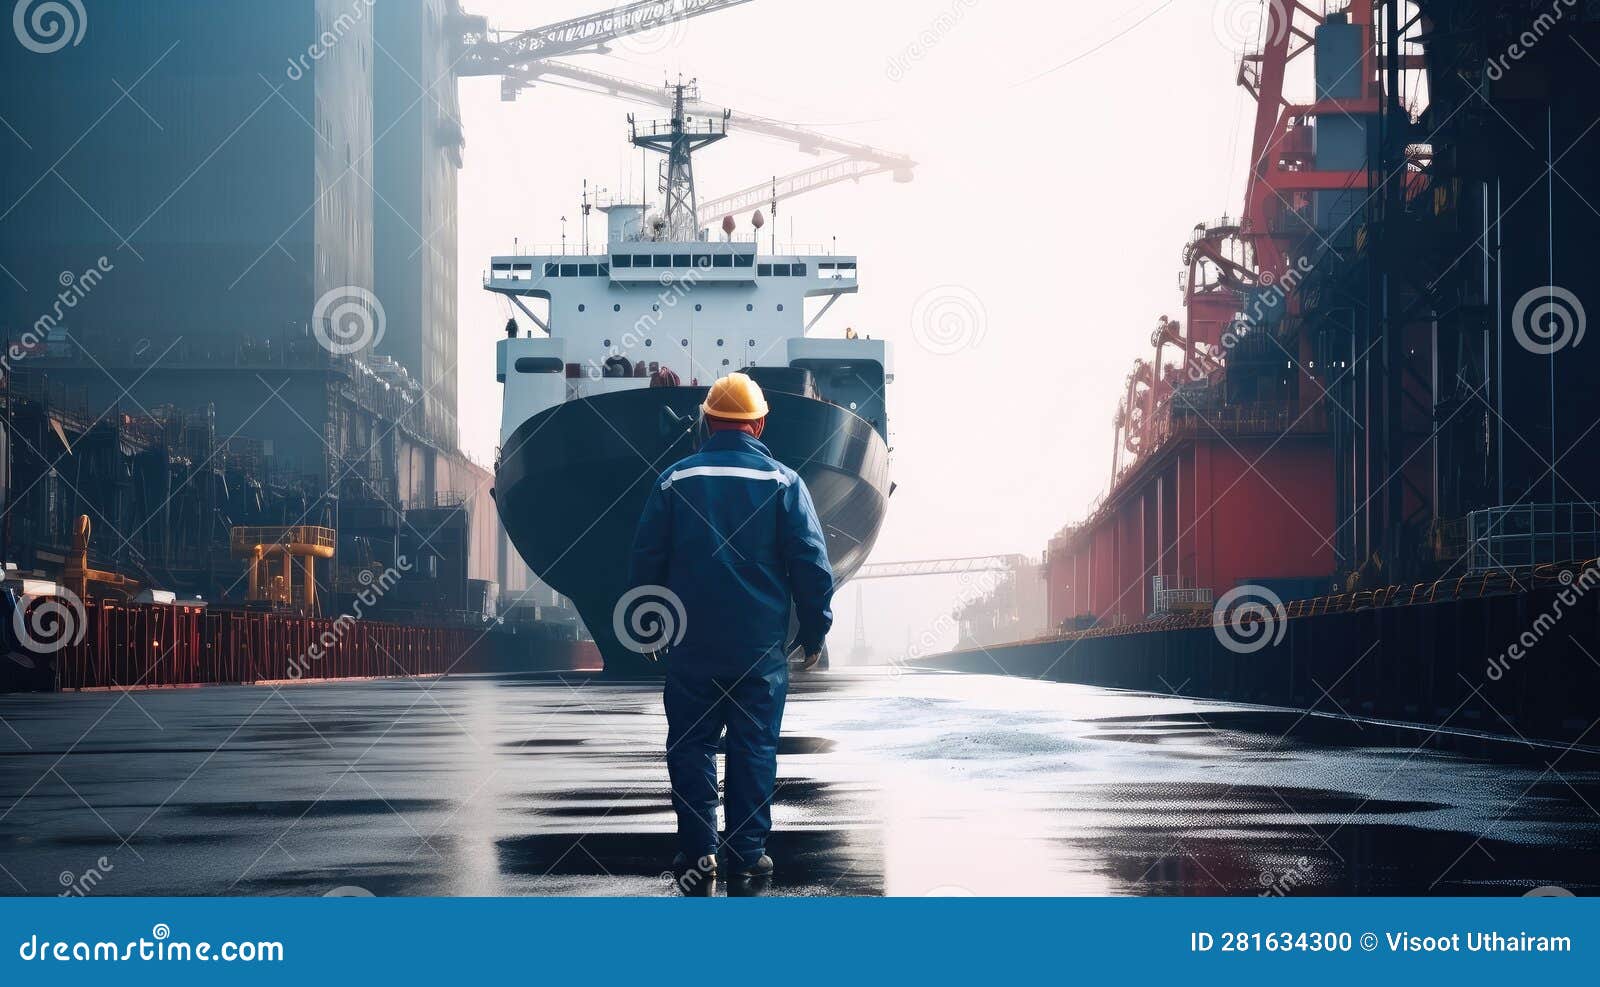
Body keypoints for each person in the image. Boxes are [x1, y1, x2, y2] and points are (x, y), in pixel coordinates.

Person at [627, 372, 834, 882]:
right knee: (753, 746)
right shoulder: (786, 483)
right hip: (758, 649)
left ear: (707, 421)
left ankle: (698, 852)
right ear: (758, 424)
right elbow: (811, 563)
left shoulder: (674, 481)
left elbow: (646, 560)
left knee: (691, 744)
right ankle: (746, 852)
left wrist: (649, 625)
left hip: (691, 644)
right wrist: (814, 630)